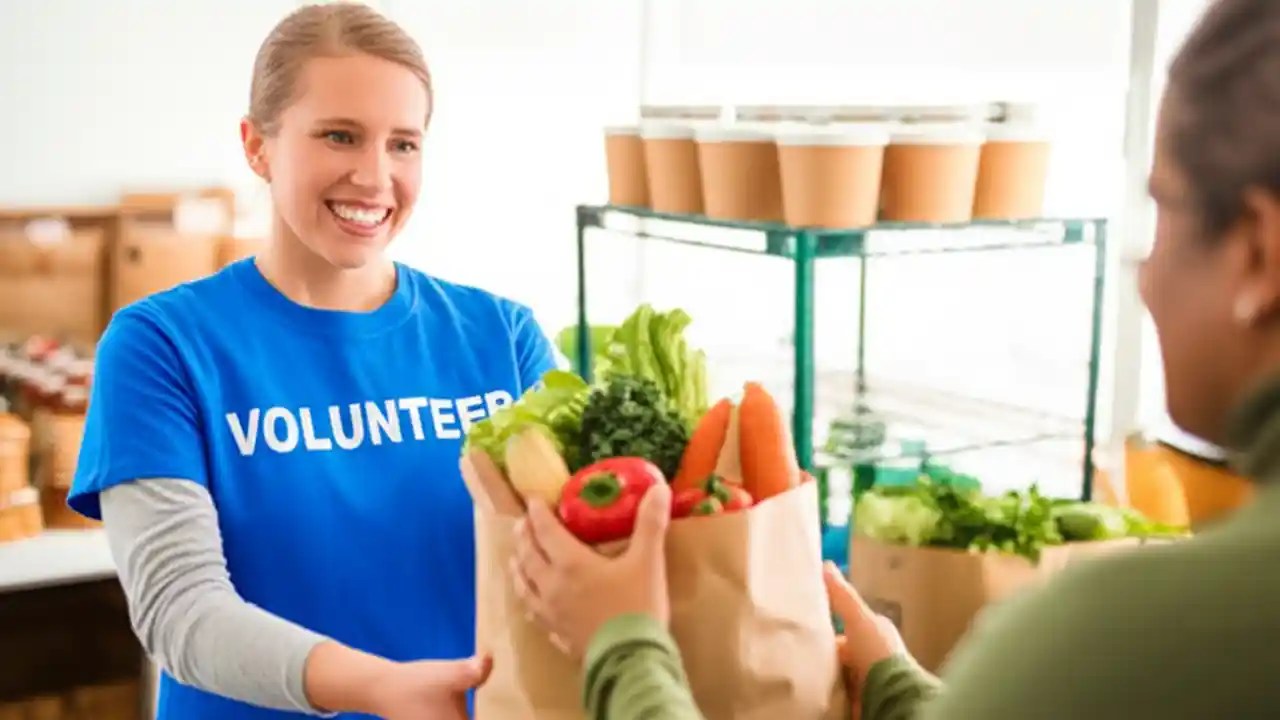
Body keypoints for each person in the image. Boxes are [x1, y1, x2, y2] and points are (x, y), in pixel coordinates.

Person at [511, 0, 1280, 717]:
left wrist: (623, 643)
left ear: (1258, 251)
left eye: (1164, 209)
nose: (1145, 276)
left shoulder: (1111, 644)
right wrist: (902, 689)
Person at [68, 5, 557, 719]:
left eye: (404, 145)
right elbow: (181, 611)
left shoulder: (502, 339)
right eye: (339, 136)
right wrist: (380, 688)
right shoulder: (162, 346)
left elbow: (578, 553)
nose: (375, 176)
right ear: (257, 146)